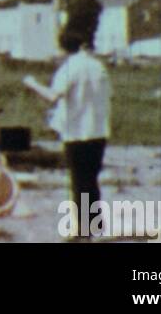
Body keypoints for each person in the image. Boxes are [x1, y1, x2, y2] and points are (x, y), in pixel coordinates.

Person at [23, 27, 111, 238]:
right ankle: (94, 225)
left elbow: (54, 96)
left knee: (78, 181)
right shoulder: (99, 67)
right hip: (98, 130)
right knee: (91, 179)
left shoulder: (69, 69)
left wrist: (32, 84)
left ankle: (82, 231)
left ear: (63, 48)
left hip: (76, 131)